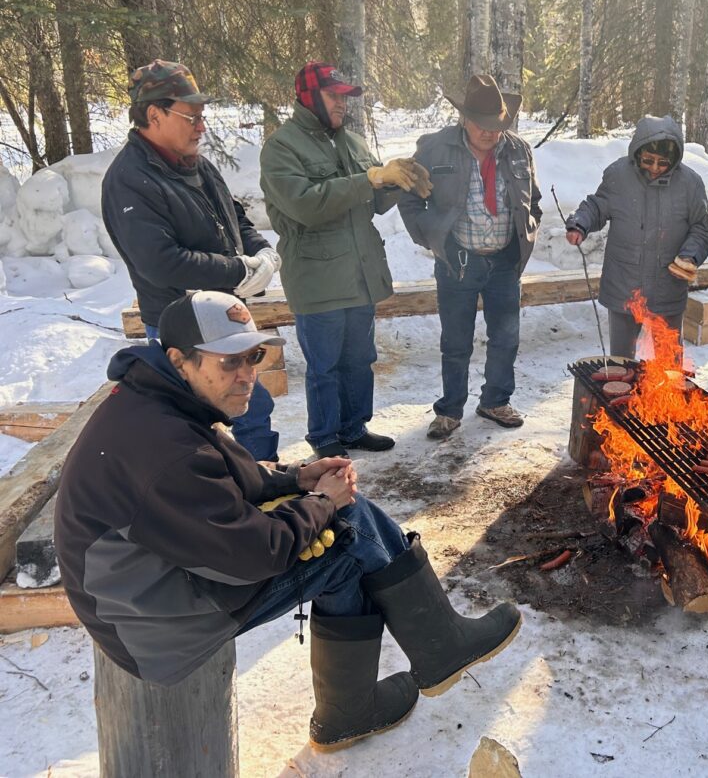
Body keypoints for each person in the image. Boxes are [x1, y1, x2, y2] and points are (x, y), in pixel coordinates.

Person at [54, 291, 522, 752]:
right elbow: (252, 556)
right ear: (181, 360)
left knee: (343, 539)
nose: (247, 377)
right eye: (229, 362)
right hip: (152, 623)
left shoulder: (162, 401)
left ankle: (354, 710)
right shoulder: (166, 449)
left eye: (253, 356)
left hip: (151, 585)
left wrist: (297, 477)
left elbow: (227, 476)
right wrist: (320, 500)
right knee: (348, 529)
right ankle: (435, 648)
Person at [101, 59, 282, 461]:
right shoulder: (130, 180)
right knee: (203, 426)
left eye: (203, 116)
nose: (202, 126)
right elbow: (161, 261)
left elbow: (234, 216)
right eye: (192, 116)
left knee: (251, 408)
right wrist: (238, 271)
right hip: (182, 328)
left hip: (224, 322)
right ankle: (236, 502)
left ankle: (259, 491)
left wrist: (261, 251)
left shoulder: (196, 164)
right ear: (154, 114)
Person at [259, 62, 432, 458]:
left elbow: (370, 202)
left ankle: (354, 428)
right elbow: (305, 206)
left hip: (359, 273)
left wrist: (398, 181)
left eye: (344, 97)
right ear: (308, 97)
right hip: (318, 278)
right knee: (325, 366)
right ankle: (325, 438)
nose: (342, 104)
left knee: (359, 359)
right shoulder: (282, 147)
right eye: (333, 95)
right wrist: (369, 178)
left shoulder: (352, 141)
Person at [400, 74, 542, 440]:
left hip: (504, 261)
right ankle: (449, 410)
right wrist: (429, 235)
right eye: (483, 125)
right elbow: (411, 198)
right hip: (459, 262)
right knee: (456, 341)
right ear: (465, 118)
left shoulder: (518, 150)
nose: (491, 132)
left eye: (498, 124)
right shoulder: (434, 148)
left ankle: (495, 400)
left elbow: (533, 201)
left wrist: (527, 231)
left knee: (506, 337)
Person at [565, 115, 708, 358]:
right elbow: (597, 206)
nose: (655, 168)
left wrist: (689, 255)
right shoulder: (618, 176)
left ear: (675, 160)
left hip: (668, 289)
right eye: (648, 160)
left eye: (663, 163)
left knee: (668, 366)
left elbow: (701, 230)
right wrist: (579, 224)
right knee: (622, 365)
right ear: (637, 153)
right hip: (624, 288)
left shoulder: (690, 184)